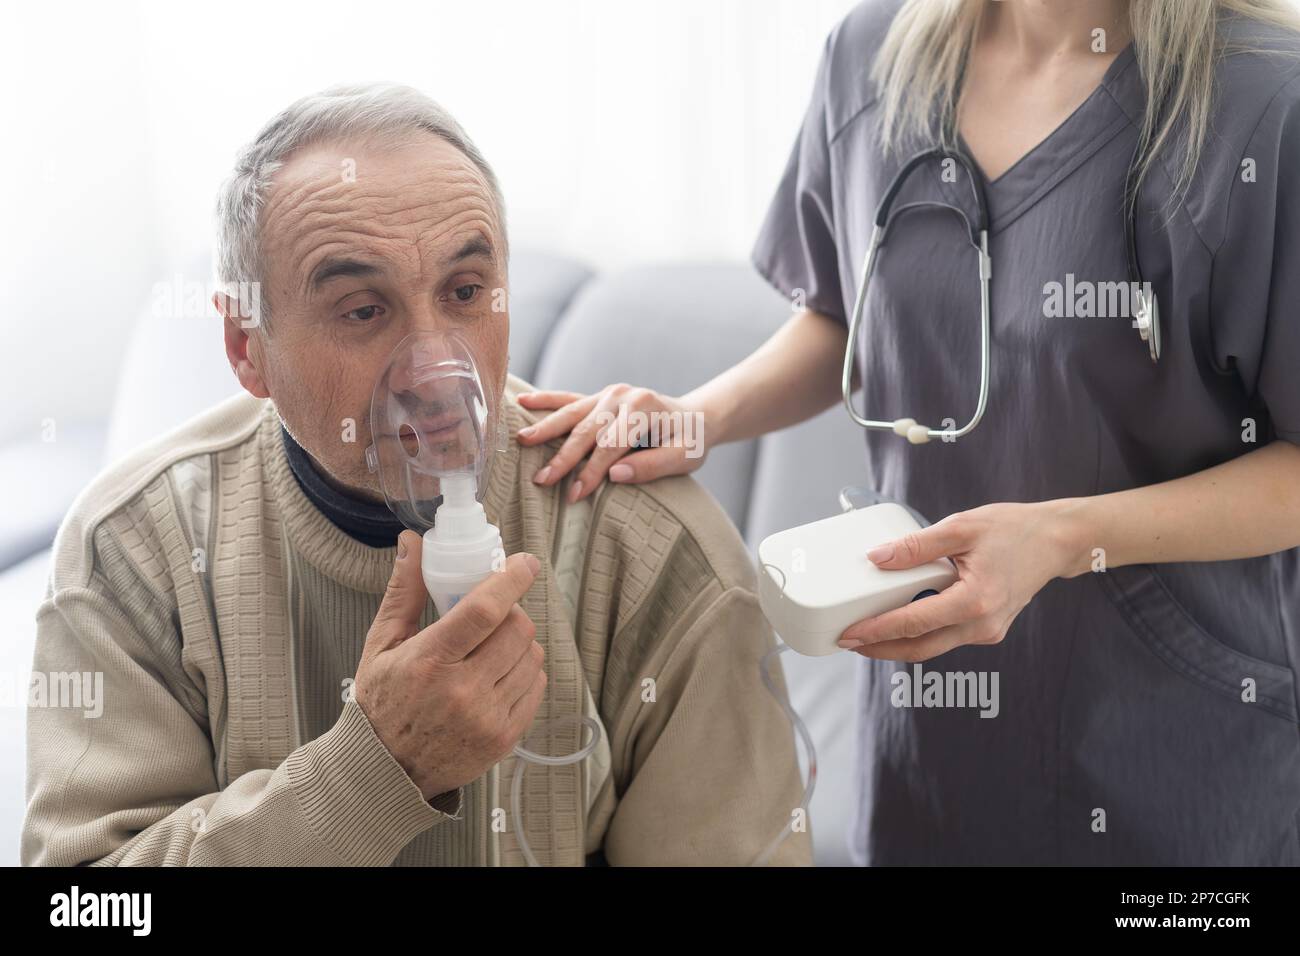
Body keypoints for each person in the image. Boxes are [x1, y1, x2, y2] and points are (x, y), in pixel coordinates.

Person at [515, 0, 1300, 865]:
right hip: (931, 727)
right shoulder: (869, 55)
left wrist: (1065, 537)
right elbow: (843, 316)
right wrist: (703, 415)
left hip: (1173, 749)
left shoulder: (1266, 100)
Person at [21, 83, 811, 867]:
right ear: (244, 346)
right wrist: (367, 776)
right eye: (364, 310)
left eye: (465, 293)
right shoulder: (131, 554)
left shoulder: (652, 547)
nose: (435, 372)